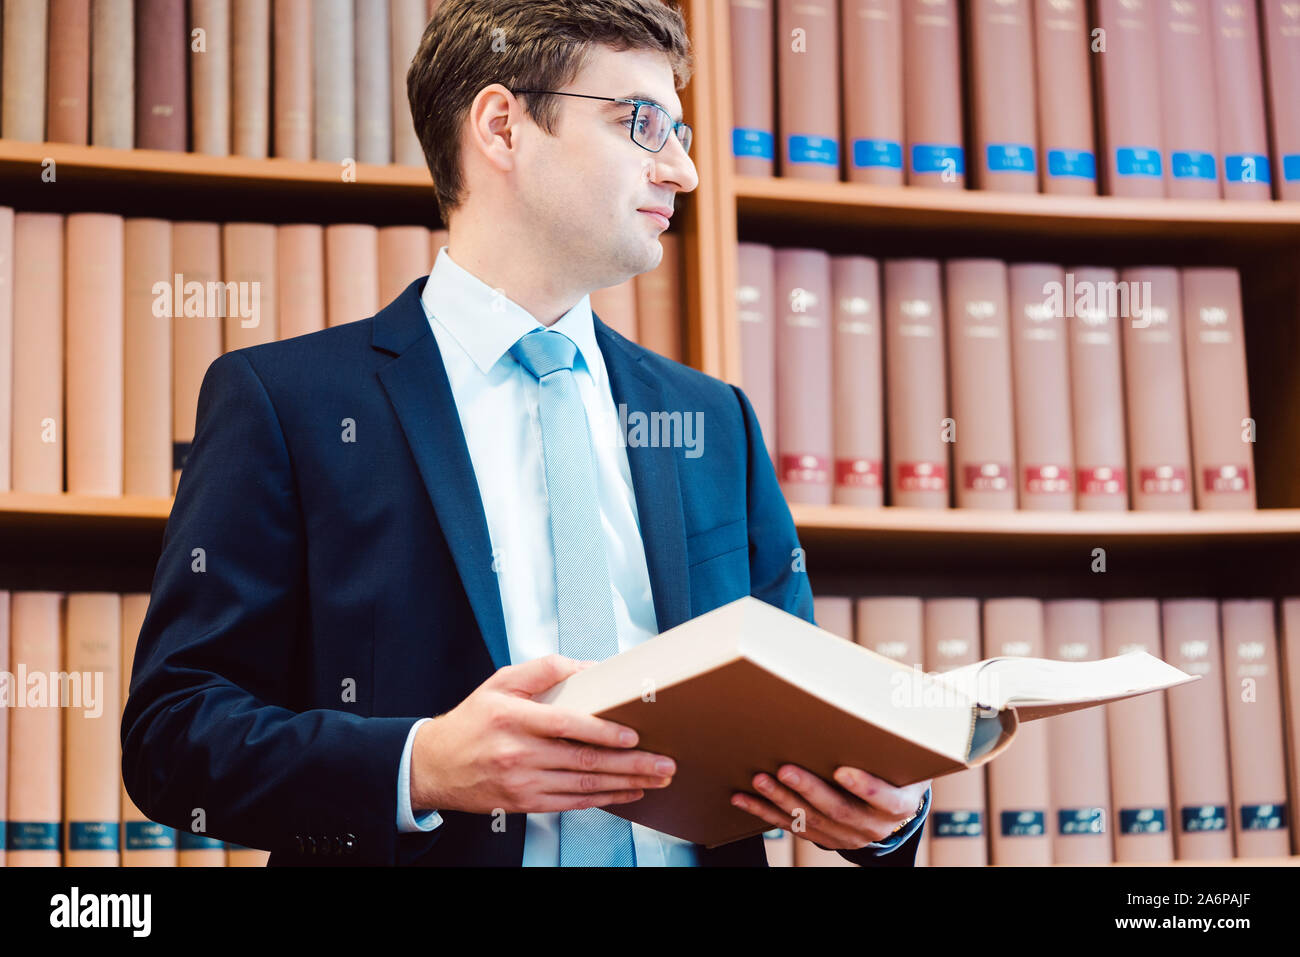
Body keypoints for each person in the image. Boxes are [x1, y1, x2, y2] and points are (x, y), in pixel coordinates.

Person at [121, 0, 931, 867]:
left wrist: (884, 816)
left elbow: (799, 718)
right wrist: (421, 764)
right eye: (644, 124)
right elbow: (174, 735)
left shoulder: (713, 420)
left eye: (681, 130)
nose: (685, 171)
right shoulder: (284, 402)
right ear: (503, 126)